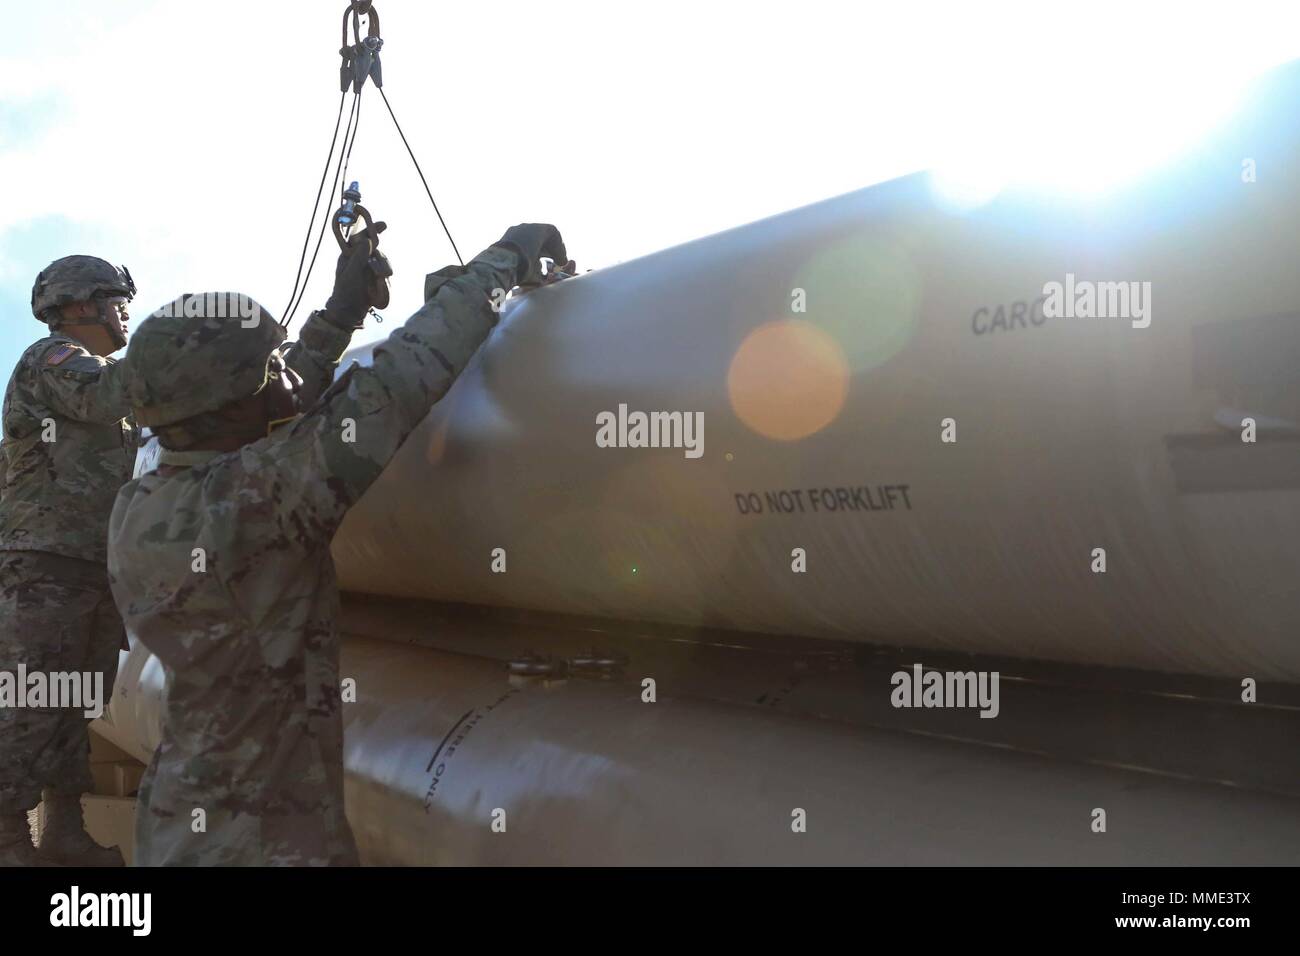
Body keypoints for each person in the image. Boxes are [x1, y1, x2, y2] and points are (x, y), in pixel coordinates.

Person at [108, 223, 565, 865]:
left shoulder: (147, 502)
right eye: (268, 369)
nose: (285, 378)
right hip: (265, 844)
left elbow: (282, 399)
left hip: (186, 825)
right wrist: (502, 261)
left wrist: (342, 311)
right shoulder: (253, 500)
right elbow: (398, 384)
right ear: (228, 405)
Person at [0, 256, 138, 866]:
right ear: (80, 305)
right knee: (29, 702)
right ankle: (8, 838)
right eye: (116, 299)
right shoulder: (52, 359)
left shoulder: (106, 376)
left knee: (76, 703)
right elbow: (108, 397)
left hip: (91, 569)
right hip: (45, 566)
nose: (125, 311)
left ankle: (63, 828)